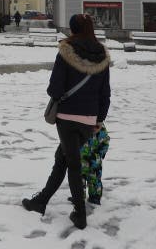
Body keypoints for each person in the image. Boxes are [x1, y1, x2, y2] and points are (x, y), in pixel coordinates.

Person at [22, 13, 111, 230]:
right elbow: (105, 93)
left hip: (67, 118)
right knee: (62, 158)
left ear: (72, 29)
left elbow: (55, 89)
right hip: (89, 120)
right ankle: (41, 201)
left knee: (71, 164)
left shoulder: (65, 51)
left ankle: (80, 214)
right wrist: (99, 119)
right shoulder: (102, 54)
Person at [80, 123, 110, 205]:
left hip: (95, 161)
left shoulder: (102, 129)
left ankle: (95, 197)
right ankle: (78, 197)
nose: (94, 129)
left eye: (96, 127)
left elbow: (106, 142)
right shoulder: (81, 125)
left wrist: (100, 154)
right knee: (79, 179)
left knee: (95, 179)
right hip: (81, 159)